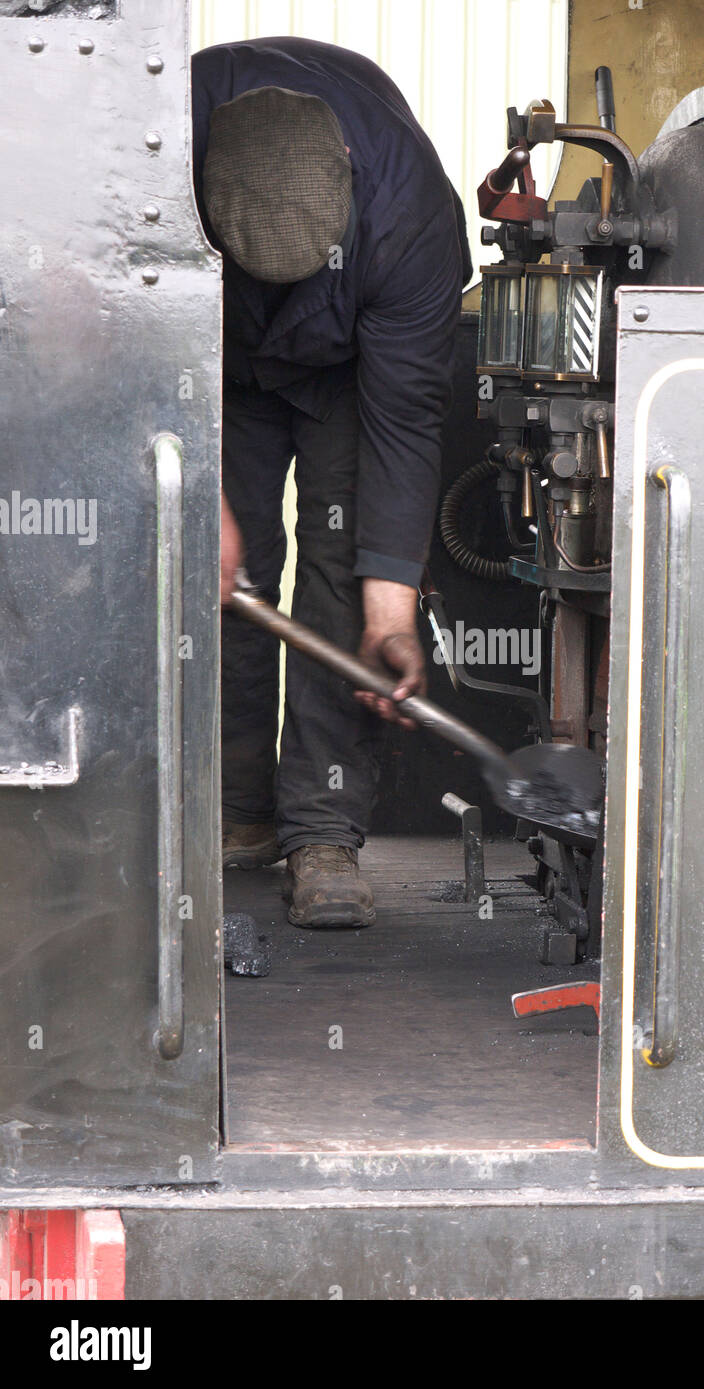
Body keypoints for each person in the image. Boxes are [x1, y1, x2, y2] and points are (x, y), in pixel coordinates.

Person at [191, 37, 472, 927]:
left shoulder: (410, 226)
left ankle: (321, 830)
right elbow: (104, 345)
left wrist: (389, 617)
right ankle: (233, 809)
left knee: (340, 562)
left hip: (348, 367)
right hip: (210, 360)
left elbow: (403, 426)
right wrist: (198, 501)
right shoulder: (148, 161)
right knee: (219, 579)